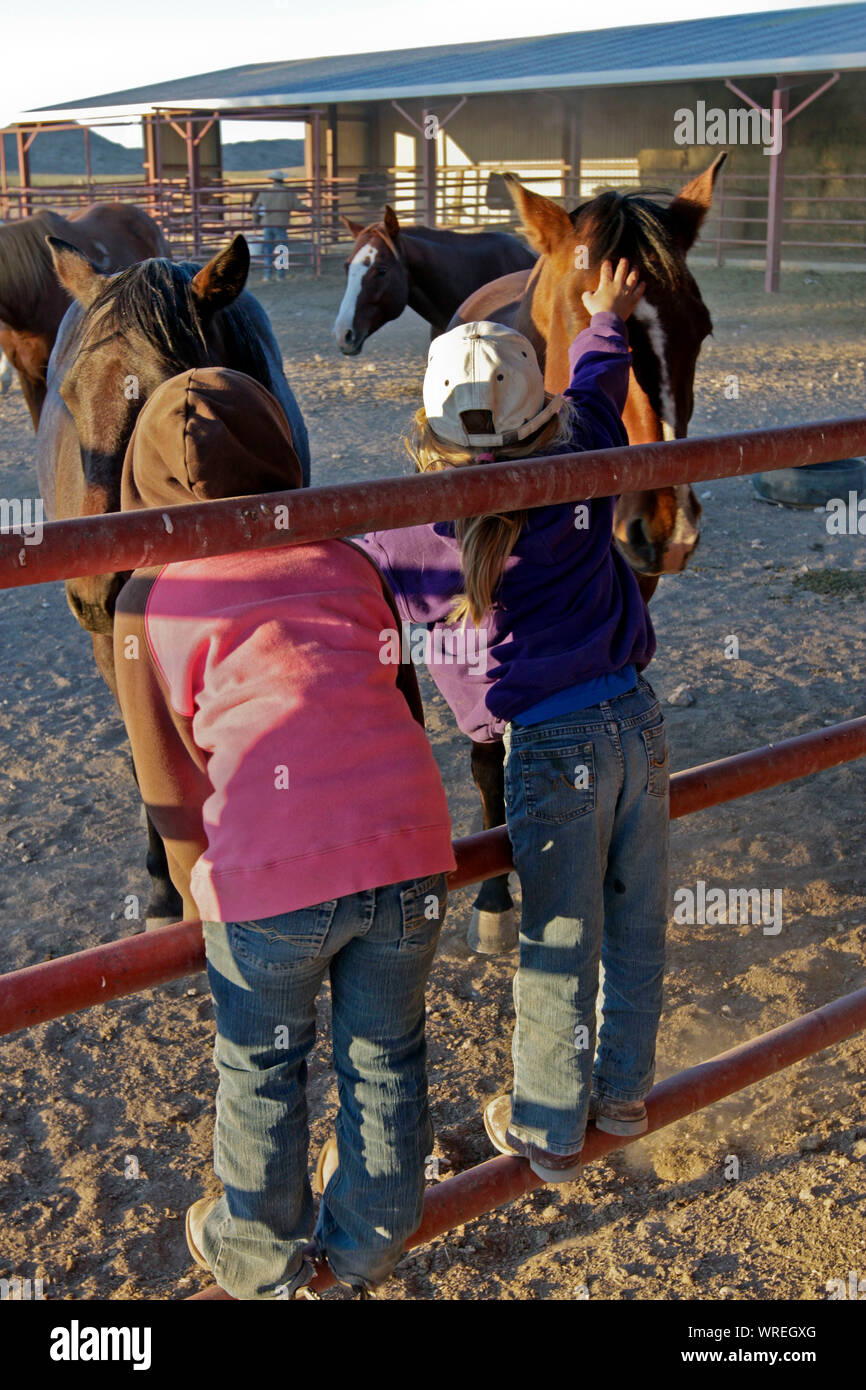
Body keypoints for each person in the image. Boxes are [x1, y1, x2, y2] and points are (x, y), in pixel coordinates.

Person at [113, 366, 455, 1297]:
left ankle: (260, 1251)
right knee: (385, 1054)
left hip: (272, 875)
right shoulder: (346, 557)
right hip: (410, 846)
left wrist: (193, 894)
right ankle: (367, 1241)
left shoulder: (147, 600)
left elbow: (169, 777)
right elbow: (402, 699)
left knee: (262, 1070)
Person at [359, 258, 670, 1184]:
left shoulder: (412, 532)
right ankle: (621, 1096)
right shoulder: (583, 456)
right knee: (637, 924)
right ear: (543, 416)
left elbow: (345, 565)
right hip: (637, 719)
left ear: (429, 434)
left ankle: (545, 1126)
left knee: (557, 942)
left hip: (548, 747)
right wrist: (605, 317)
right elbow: (602, 387)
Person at [253, 171, 307, 282]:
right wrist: (309, 208)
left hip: (267, 223)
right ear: (283, 180)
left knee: (268, 249)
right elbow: (298, 206)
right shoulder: (288, 193)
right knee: (282, 249)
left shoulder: (265, 193)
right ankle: (280, 276)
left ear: (273, 180)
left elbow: (256, 208)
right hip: (281, 224)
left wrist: (255, 221)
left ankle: (267, 275)